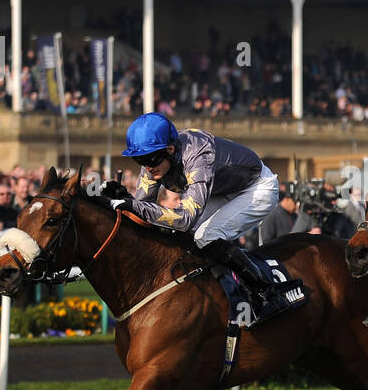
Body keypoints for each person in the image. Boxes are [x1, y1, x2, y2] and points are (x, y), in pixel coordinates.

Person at [110, 112, 283, 312]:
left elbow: (185, 219)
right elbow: (141, 210)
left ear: (170, 150)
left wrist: (132, 205)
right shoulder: (155, 160)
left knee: (206, 236)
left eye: (150, 159)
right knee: (188, 237)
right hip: (222, 190)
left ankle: (264, 291)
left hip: (257, 188)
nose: (147, 167)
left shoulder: (198, 155)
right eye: (139, 160)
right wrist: (119, 199)